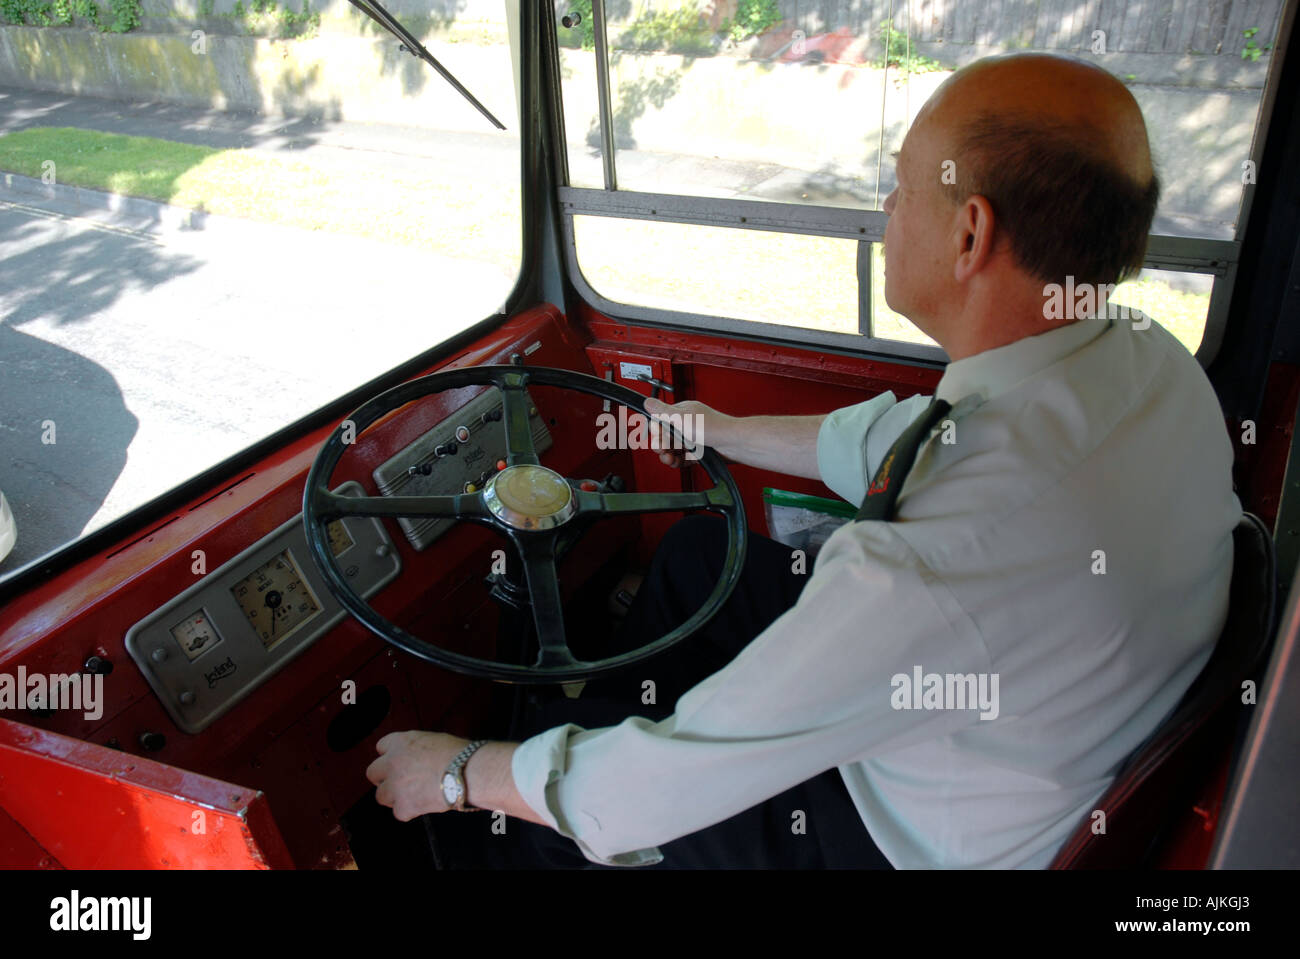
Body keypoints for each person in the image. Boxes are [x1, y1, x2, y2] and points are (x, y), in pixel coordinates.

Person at [366, 52, 1242, 868]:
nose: (888, 212)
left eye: (901, 191)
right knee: (700, 559)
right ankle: (610, 719)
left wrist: (456, 771)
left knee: (548, 831)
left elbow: (633, 801)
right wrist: (711, 428)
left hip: (904, 833)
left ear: (971, 235)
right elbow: (897, 438)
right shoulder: (1138, 356)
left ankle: (582, 759)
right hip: (1030, 720)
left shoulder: (940, 554)